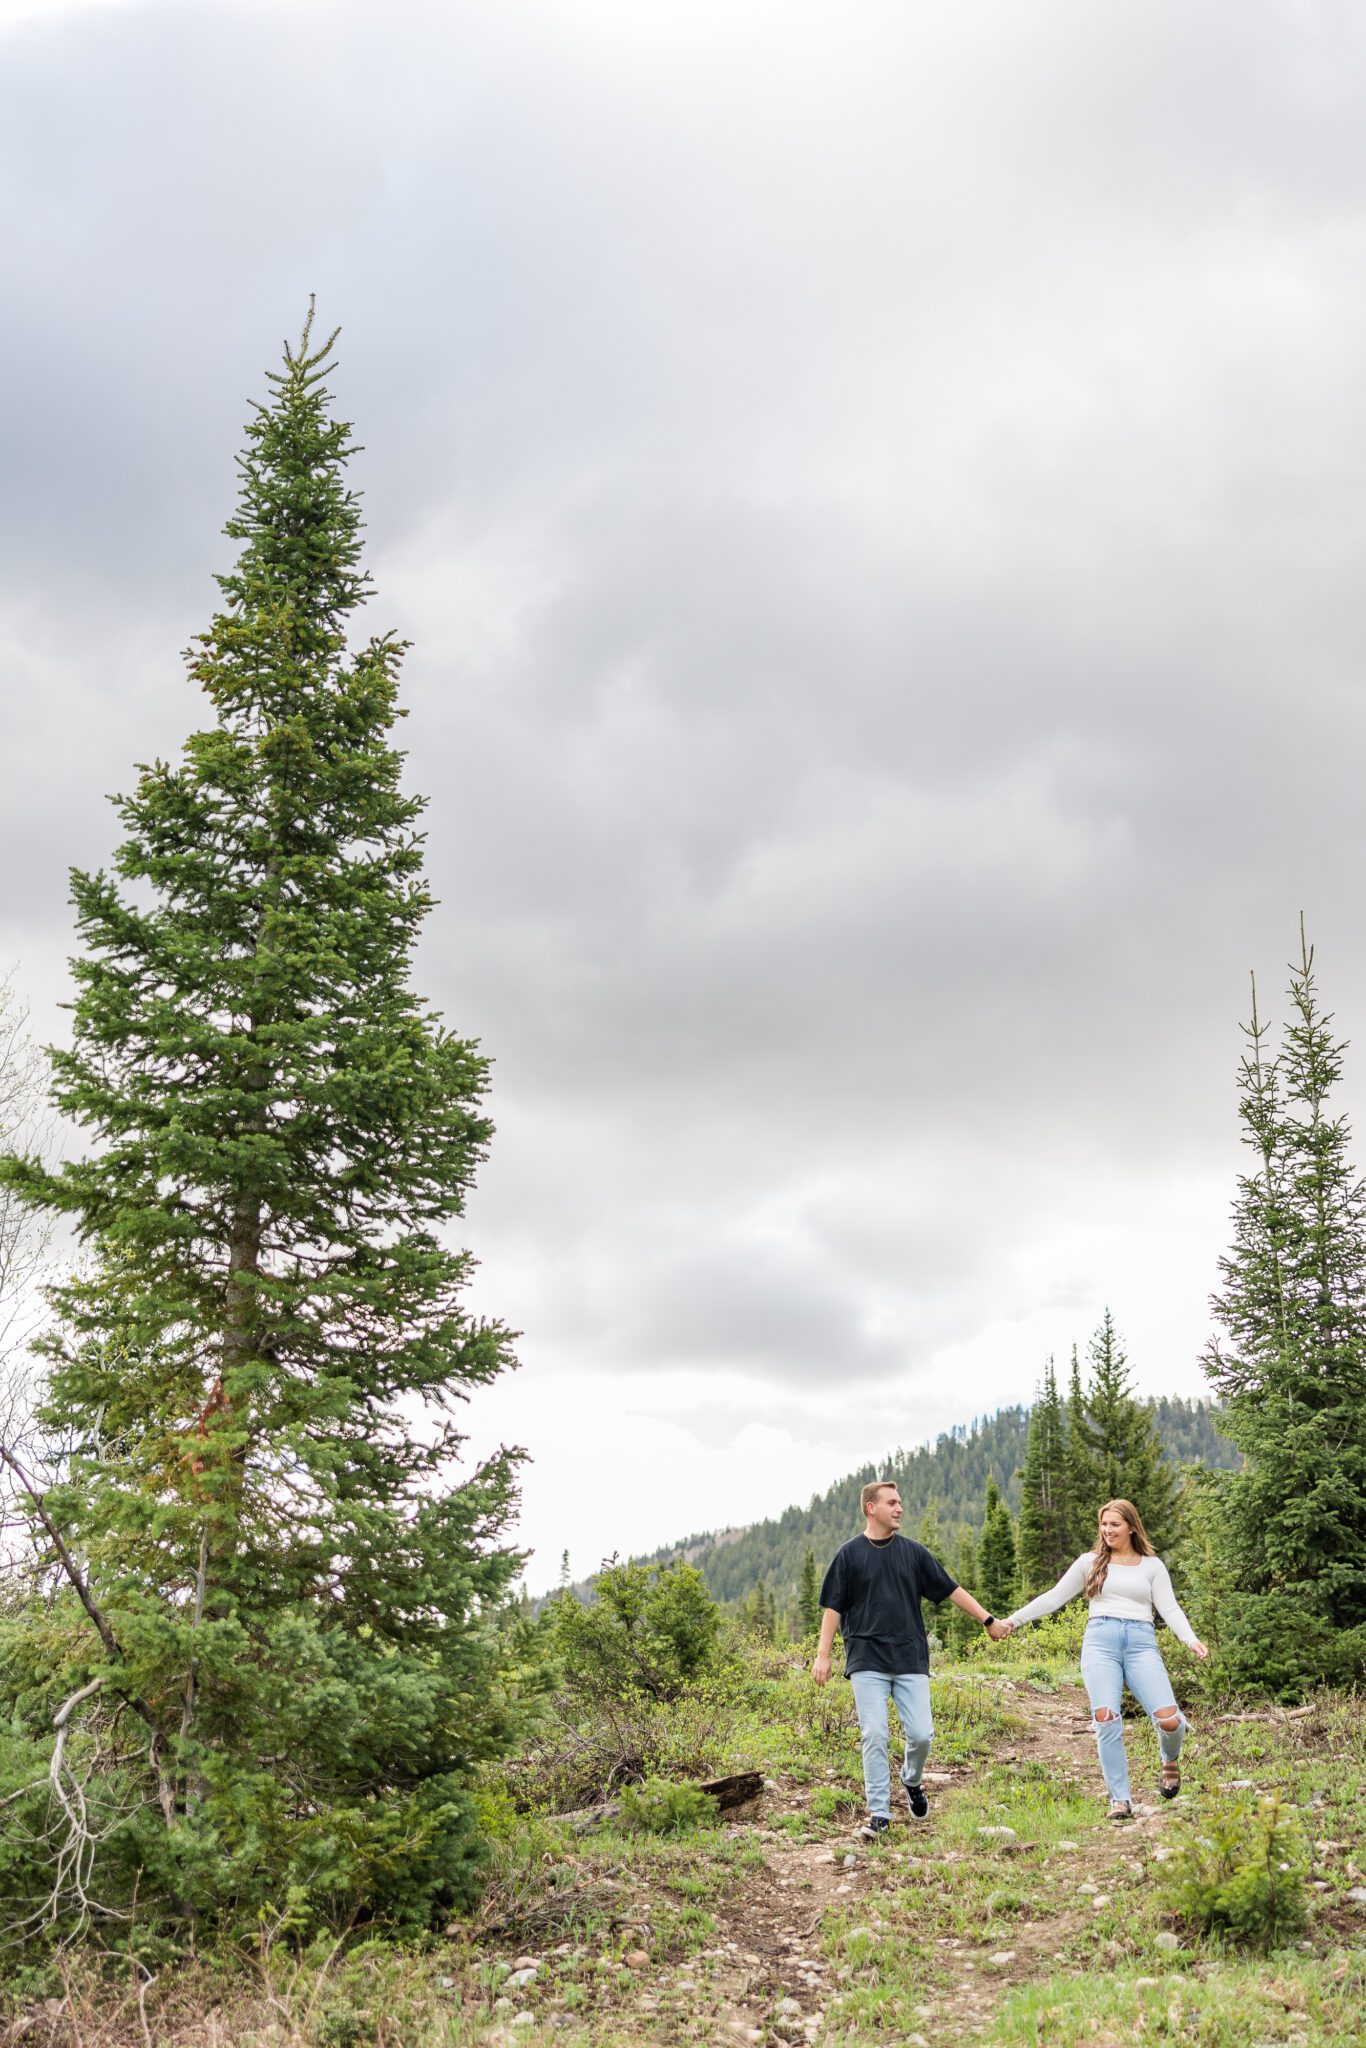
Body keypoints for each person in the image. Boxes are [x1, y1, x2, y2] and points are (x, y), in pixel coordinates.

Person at [813, 1479, 1011, 1837]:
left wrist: (988, 1620)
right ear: (871, 1507)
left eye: (900, 1502)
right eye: (891, 1502)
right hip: (866, 1658)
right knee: (874, 1734)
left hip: (909, 1658)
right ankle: (879, 1813)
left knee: (921, 1736)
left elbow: (951, 1589)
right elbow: (832, 1607)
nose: (899, 1508)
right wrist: (822, 1656)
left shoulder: (914, 1552)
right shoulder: (849, 1554)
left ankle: (912, 1779)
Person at [1002, 1497, 1209, 1820]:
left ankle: (1169, 1759)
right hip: (1100, 1642)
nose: (1108, 1530)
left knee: (1170, 1719)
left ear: (1130, 1527)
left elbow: (1169, 1608)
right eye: (1104, 1524)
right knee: (1106, 1717)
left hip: (1141, 1643)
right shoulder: (1090, 1561)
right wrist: (1014, 1620)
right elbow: (1055, 1597)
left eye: (1115, 1524)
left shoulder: (1151, 1566)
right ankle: (1120, 1799)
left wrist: (1190, 1639)